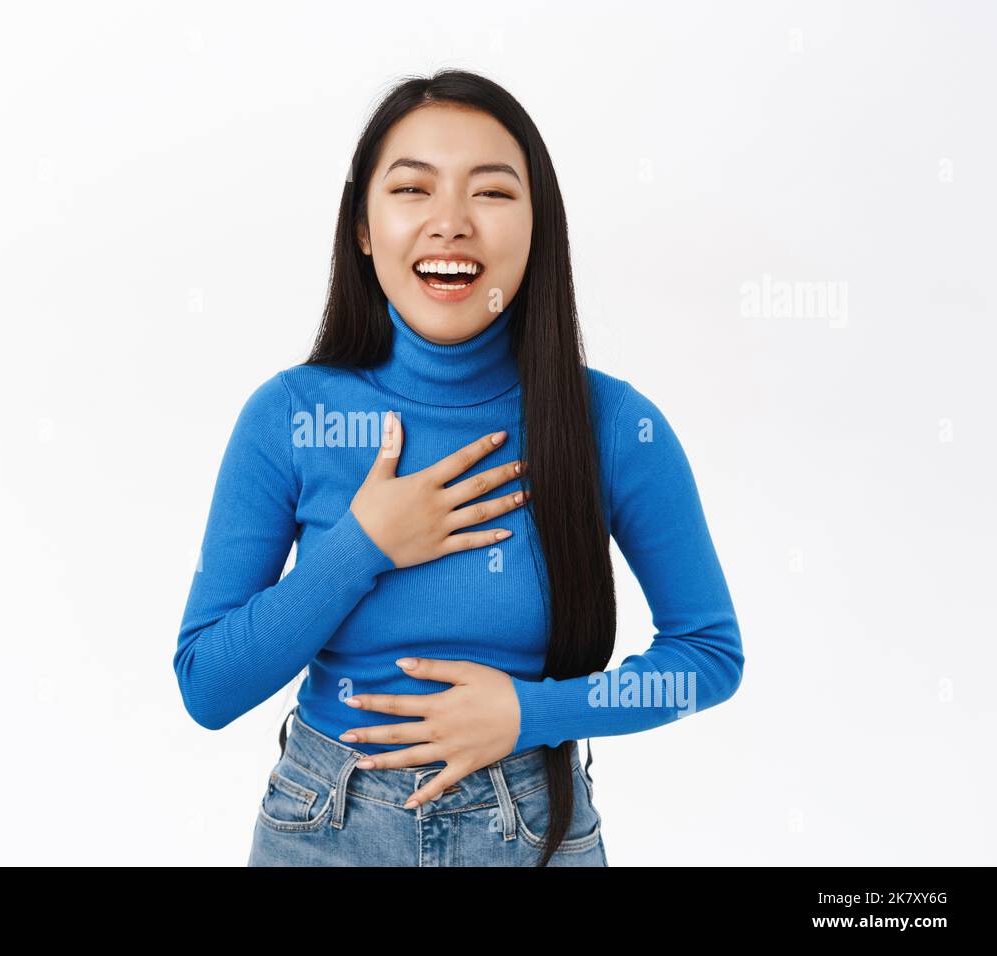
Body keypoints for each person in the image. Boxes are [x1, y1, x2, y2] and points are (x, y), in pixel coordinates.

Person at [174, 68, 744, 866]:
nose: (450, 223)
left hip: (534, 827)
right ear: (364, 228)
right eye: (412, 190)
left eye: (492, 193)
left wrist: (532, 714)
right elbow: (207, 686)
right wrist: (363, 544)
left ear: (539, 225)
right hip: (323, 826)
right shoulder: (290, 416)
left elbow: (708, 656)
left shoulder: (615, 425)